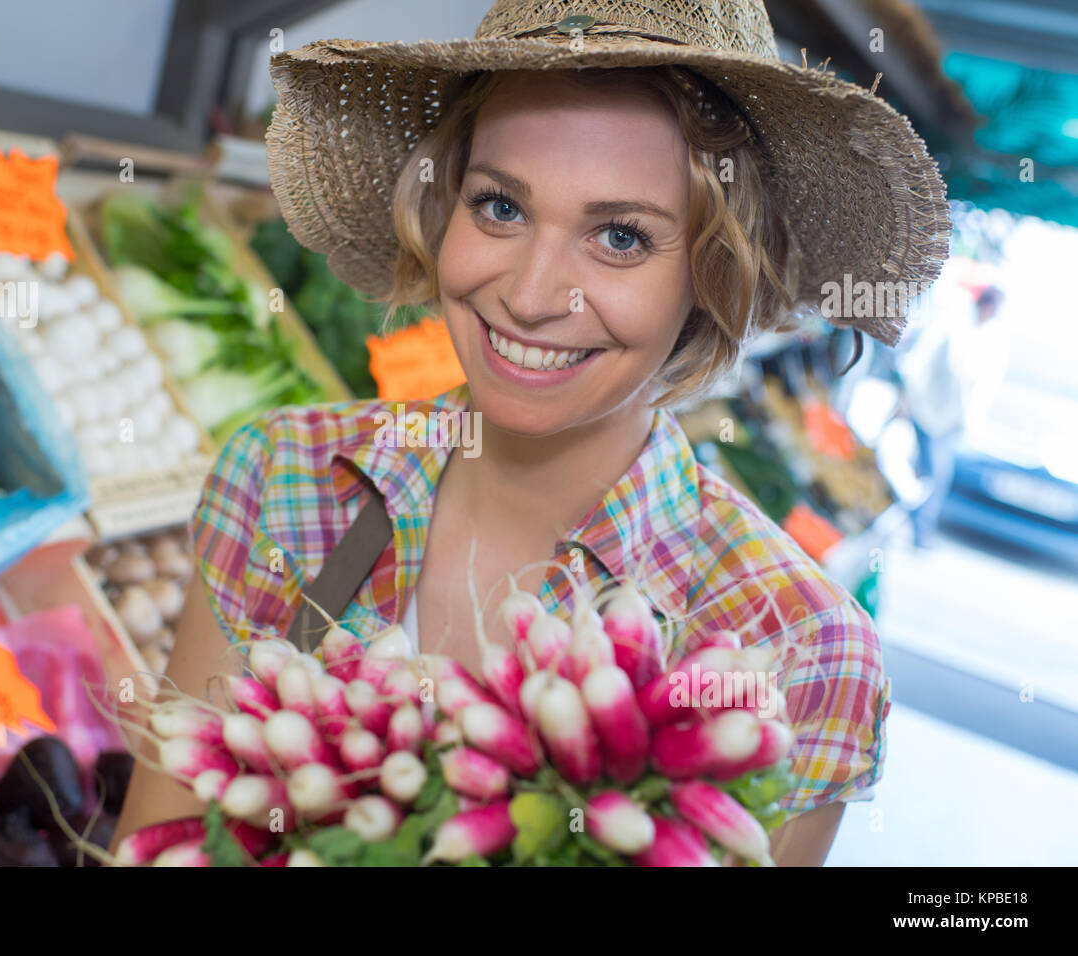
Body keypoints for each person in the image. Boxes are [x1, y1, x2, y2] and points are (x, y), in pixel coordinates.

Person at [114, 0, 951, 866]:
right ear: (443, 210)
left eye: (620, 236)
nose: (532, 292)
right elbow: (157, 842)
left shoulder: (798, 647)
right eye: (500, 208)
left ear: (714, 272)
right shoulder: (280, 478)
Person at [899, 285, 1004, 547]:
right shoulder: (954, 324)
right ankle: (918, 530)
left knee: (932, 473)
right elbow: (922, 361)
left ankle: (917, 528)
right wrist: (908, 397)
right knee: (932, 473)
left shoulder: (990, 336)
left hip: (950, 421)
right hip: (928, 410)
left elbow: (981, 384)